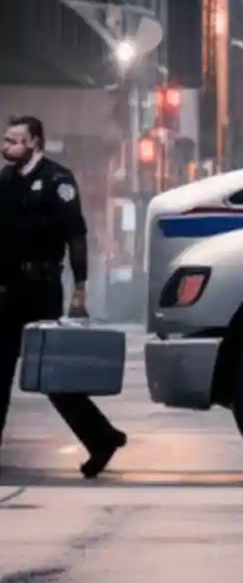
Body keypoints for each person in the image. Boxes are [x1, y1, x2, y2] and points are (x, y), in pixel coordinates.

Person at [0, 115, 127, 479]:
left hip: (41, 290)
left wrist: (80, 288)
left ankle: (100, 437)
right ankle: (104, 437)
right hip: (7, 290)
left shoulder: (58, 181)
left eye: (14, 141)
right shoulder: (6, 181)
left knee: (53, 376)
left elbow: (75, 236)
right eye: (6, 140)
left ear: (35, 143)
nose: (6, 146)